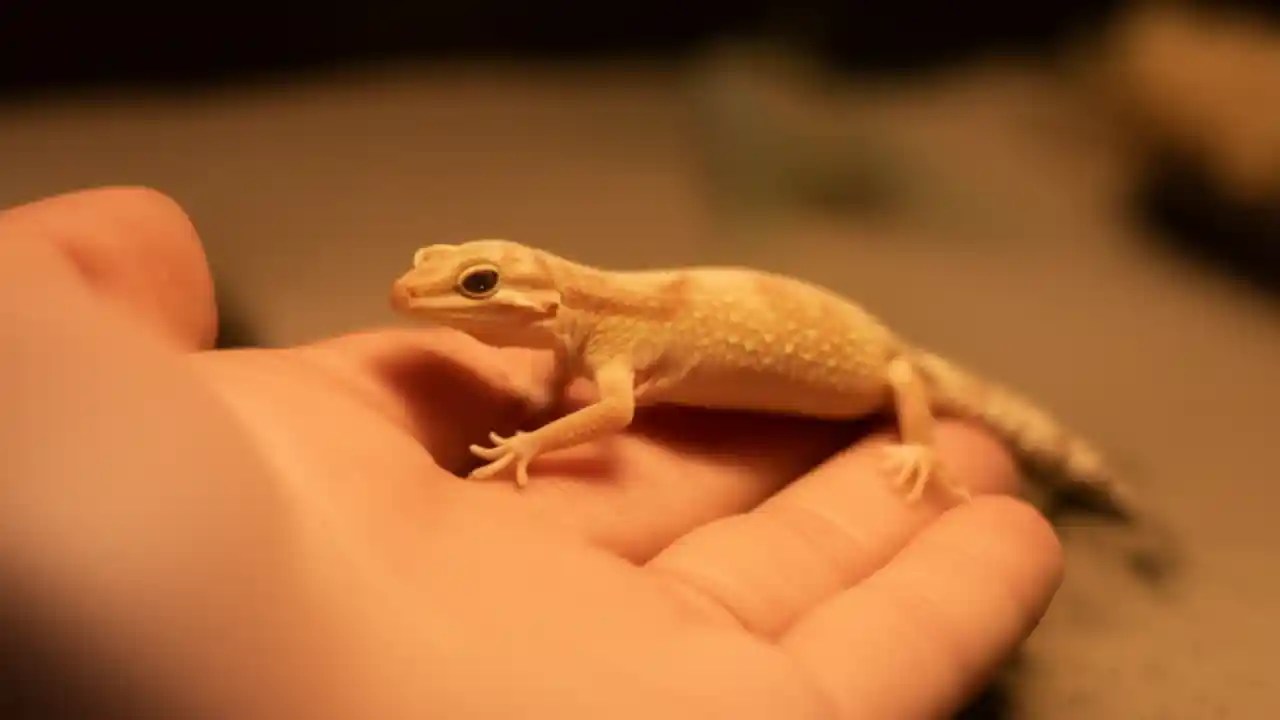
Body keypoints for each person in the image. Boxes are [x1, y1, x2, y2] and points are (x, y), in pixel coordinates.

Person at [0, 186, 1063, 719]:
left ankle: (1059, 470)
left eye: (470, 289)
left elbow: (613, 421)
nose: (424, 299)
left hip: (886, 366)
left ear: (540, 298)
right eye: (449, 275)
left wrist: (526, 446)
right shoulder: (589, 328)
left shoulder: (609, 342)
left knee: (924, 398)